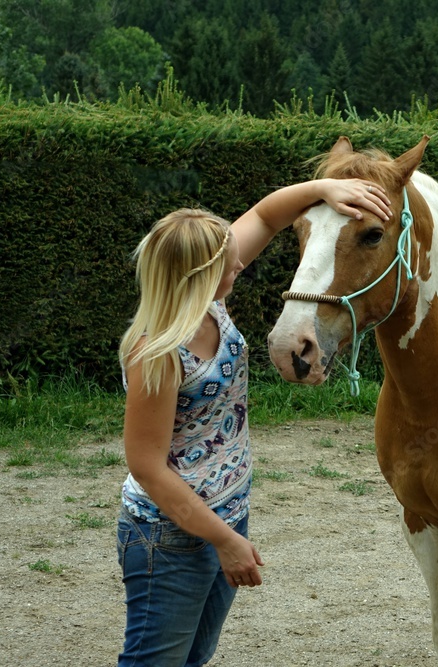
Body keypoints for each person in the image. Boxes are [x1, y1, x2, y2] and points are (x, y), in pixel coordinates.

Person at [116, 177, 391, 667]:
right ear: (196, 273)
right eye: (228, 261)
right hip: (171, 535)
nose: (240, 262)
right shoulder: (158, 353)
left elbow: (267, 215)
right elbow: (147, 467)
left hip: (224, 513)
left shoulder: (209, 305)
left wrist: (328, 187)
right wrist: (224, 541)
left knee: (194, 656)